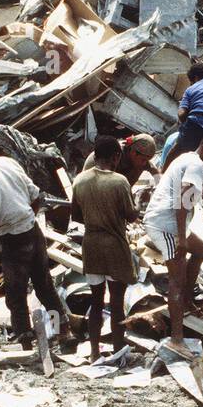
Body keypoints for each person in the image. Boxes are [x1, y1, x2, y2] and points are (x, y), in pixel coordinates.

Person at [0, 128, 70, 346]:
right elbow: (38, 196)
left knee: (16, 293)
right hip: (32, 230)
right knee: (44, 285)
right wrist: (28, 216)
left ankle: (25, 338)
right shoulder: (8, 163)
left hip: (12, 238)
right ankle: (63, 331)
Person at [142, 129, 203, 344]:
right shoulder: (196, 164)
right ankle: (177, 338)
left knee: (200, 250)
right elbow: (183, 200)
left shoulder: (188, 158)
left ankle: (187, 299)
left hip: (171, 221)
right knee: (177, 279)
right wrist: (181, 239)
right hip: (166, 225)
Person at [72, 135, 139, 360]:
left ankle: (93, 353)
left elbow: (76, 215)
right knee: (117, 303)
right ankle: (118, 351)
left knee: (96, 301)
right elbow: (131, 216)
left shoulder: (79, 180)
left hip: (91, 246)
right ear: (115, 157)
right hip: (114, 246)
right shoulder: (120, 181)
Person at [82, 133, 158, 194]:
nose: (145, 163)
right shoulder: (111, 157)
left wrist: (160, 186)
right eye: (143, 160)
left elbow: (154, 171)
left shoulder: (139, 158)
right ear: (133, 153)